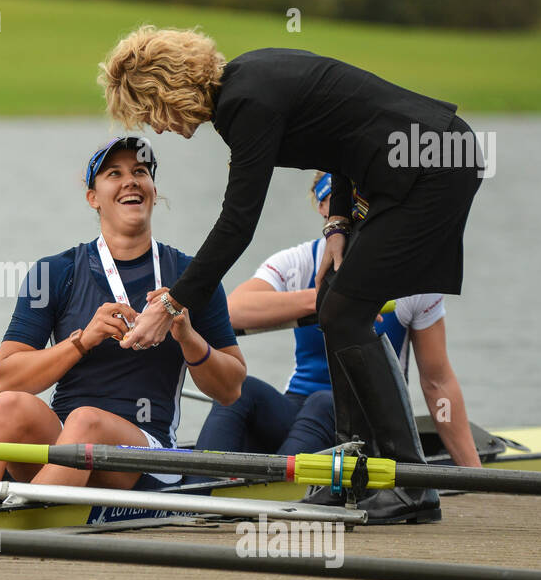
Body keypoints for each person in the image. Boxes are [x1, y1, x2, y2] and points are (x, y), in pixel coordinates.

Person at [100, 28, 484, 524]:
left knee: (345, 313)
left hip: (435, 165)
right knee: (333, 306)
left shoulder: (246, 103)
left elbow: (238, 222)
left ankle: (410, 487)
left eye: (151, 111)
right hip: (406, 167)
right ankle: (355, 474)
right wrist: (338, 222)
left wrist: (172, 303)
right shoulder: (252, 76)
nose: (156, 126)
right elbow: (346, 140)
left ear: (168, 90)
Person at [0, 138, 244, 510]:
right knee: (9, 407)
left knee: (87, 422)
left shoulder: (191, 278)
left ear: (153, 191)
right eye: (114, 174)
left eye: (140, 173)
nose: (130, 181)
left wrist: (188, 336)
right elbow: (6, 378)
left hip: (144, 456)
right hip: (63, 441)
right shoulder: (55, 272)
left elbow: (230, 389)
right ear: (93, 198)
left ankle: (16, 520)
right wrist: (81, 342)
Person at [196, 172, 483, 523]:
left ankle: (272, 492)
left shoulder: (412, 277)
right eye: (340, 198)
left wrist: (474, 474)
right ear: (323, 208)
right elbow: (231, 311)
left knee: (323, 400)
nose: (353, 209)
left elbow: (437, 384)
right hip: (299, 411)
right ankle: (194, 492)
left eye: (362, 196)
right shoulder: (299, 262)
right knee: (243, 392)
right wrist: (322, 299)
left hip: (371, 427)